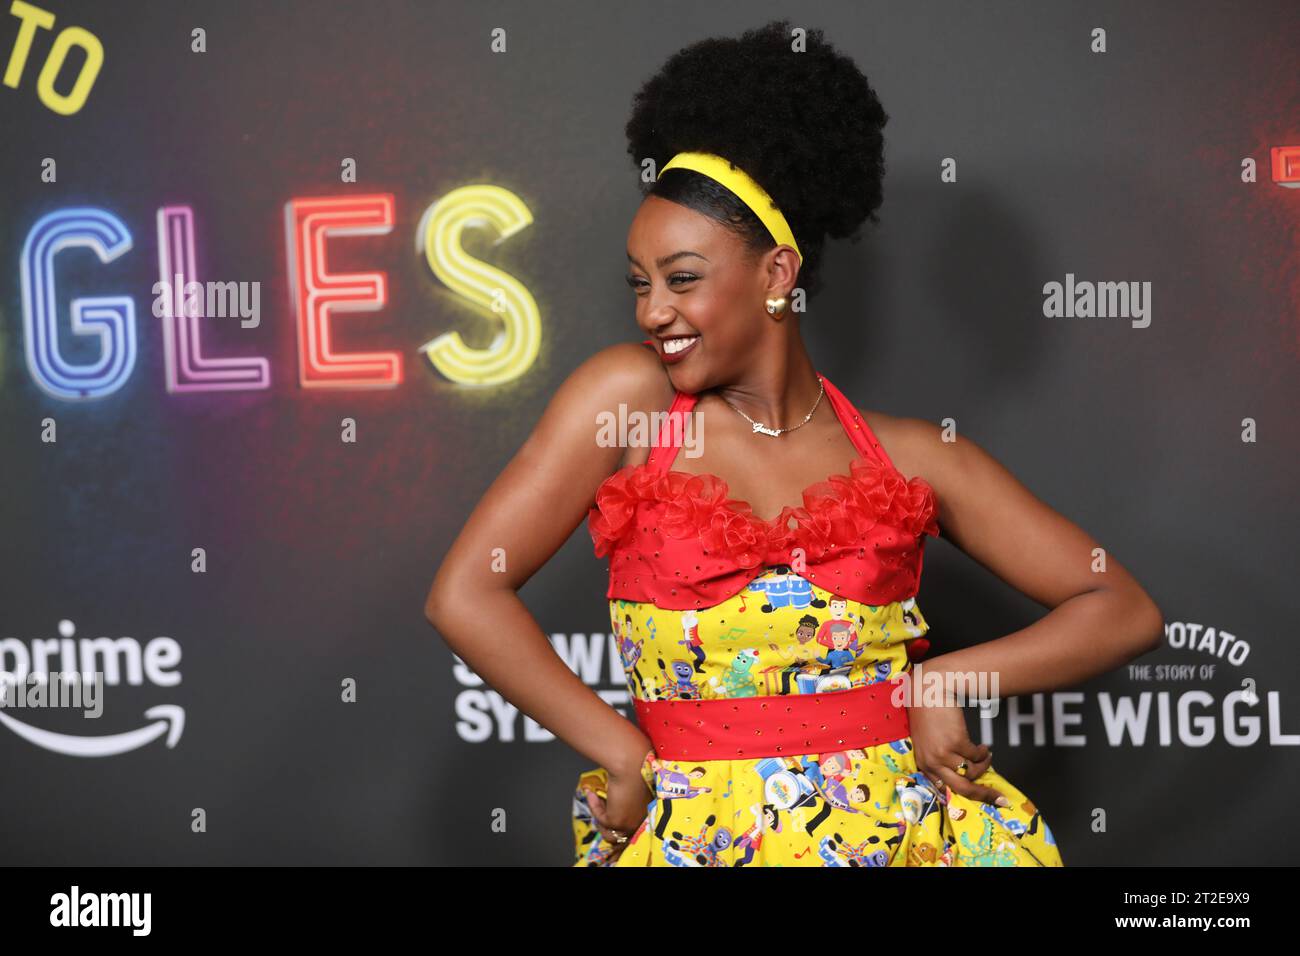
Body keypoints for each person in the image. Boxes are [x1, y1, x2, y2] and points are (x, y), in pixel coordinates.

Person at [424, 19, 1163, 867]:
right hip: (696, 842)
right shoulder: (627, 404)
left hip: (908, 839)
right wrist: (621, 748)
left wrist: (947, 679)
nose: (652, 311)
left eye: (683, 279)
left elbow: (1123, 608)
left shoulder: (911, 456)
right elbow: (465, 594)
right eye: (640, 283)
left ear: (777, 274)